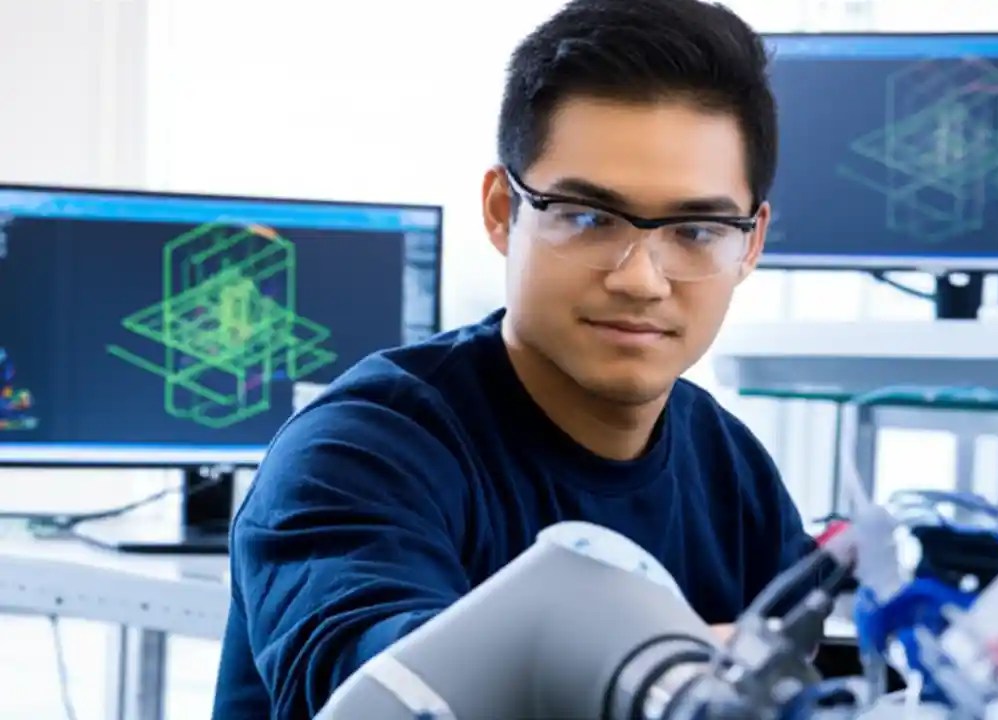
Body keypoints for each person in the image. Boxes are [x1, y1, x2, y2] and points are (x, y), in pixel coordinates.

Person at [211, 0, 816, 716]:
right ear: (502, 210)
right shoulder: (358, 452)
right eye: (588, 218)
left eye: (696, 229)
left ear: (750, 243)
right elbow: (384, 691)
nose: (640, 279)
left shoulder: (729, 468)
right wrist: (680, 677)